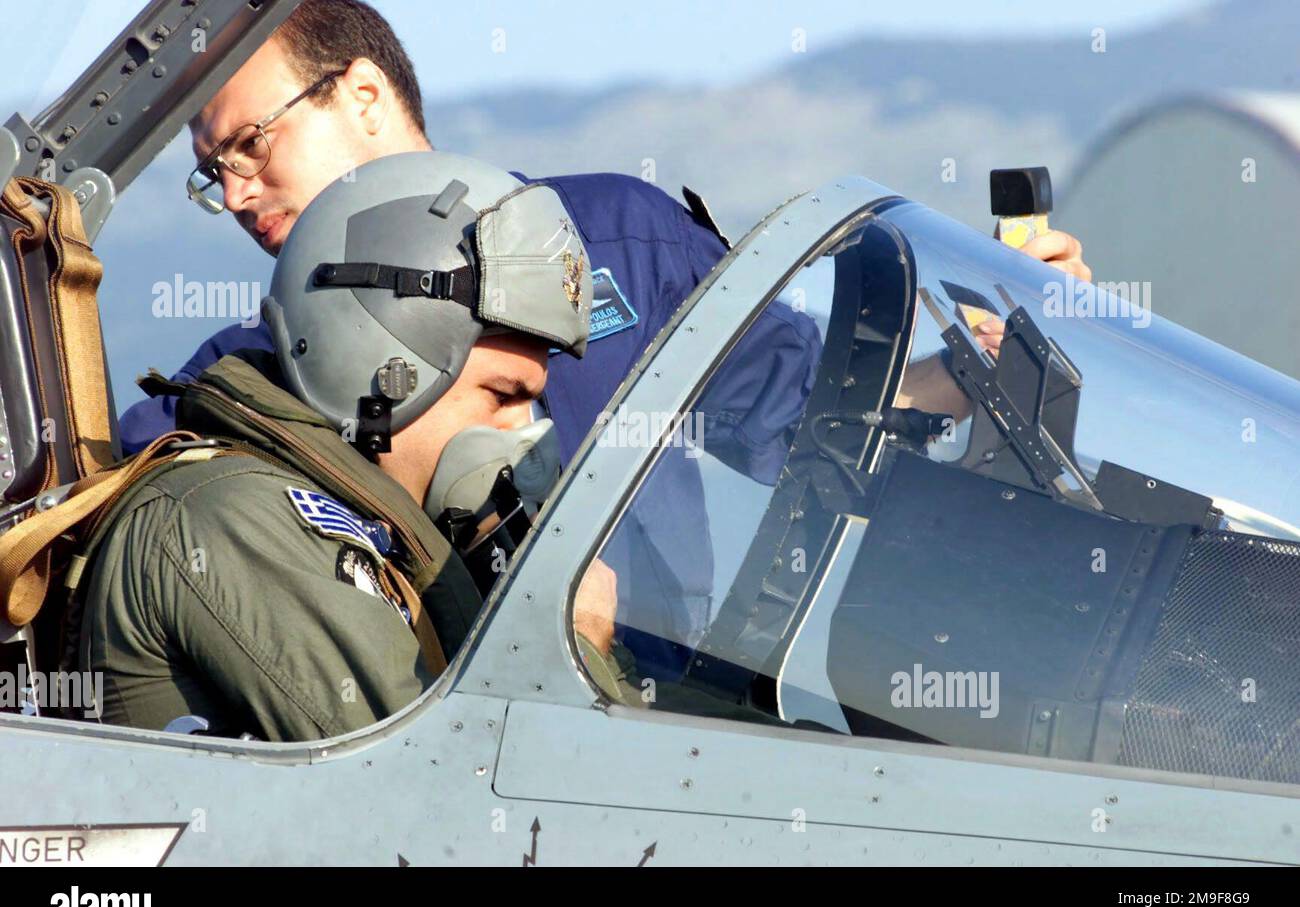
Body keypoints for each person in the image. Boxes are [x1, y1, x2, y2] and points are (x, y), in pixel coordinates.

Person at [118, 0, 1091, 679]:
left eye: (251, 143)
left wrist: (982, 363)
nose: (236, 193)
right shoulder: (247, 376)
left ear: (362, 95)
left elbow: (808, 424)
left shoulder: (622, 238)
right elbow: (111, 518)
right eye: (214, 173)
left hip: (653, 728)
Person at [79, 153, 592, 741]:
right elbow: (434, 782)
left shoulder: (364, 527)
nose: (522, 432)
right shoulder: (240, 521)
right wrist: (575, 643)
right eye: (502, 396)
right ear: (384, 372)